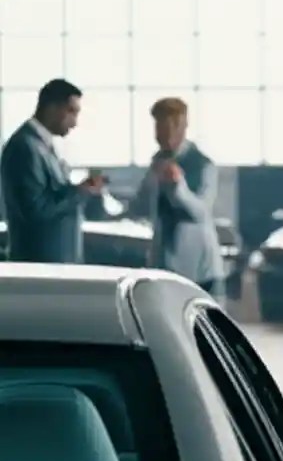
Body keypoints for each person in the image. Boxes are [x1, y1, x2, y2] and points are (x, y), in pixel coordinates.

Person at [126, 97, 225, 300]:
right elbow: (142, 207)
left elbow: (201, 212)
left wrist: (178, 187)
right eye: (161, 125)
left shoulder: (203, 165)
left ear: (183, 125)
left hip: (199, 270)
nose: (166, 132)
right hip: (165, 267)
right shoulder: (157, 162)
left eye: (173, 125)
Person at [0, 79, 104, 264]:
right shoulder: (25, 147)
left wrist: (80, 190)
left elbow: (52, 197)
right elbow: (36, 211)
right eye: (71, 112)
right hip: (40, 265)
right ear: (51, 108)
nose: (75, 123)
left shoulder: (41, 146)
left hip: (53, 264)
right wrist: (79, 192)